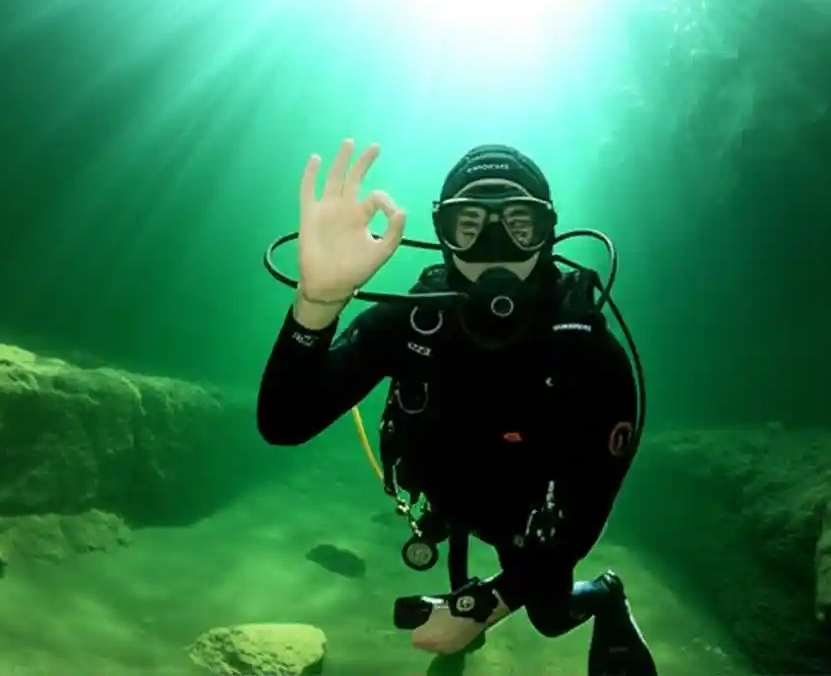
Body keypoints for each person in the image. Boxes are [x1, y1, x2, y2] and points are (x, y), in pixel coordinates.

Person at [257, 139, 657, 676]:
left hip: (533, 523)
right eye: (468, 224)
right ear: (442, 233)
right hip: (446, 500)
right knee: (457, 614)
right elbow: (284, 421)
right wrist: (317, 304)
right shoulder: (413, 325)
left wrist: (491, 602)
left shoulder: (587, 352)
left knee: (549, 615)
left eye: (519, 223)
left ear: (548, 231)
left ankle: (605, 595)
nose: (494, 247)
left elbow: (588, 508)